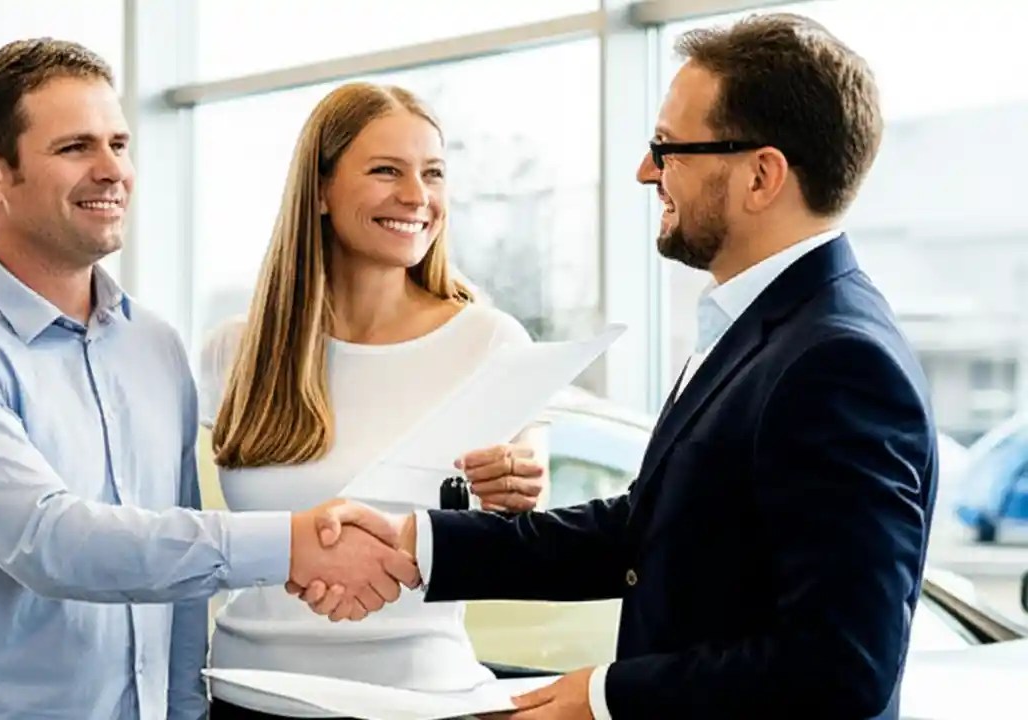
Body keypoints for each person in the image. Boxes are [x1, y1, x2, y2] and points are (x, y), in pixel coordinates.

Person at [304, 13, 938, 720]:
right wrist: (418, 542)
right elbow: (651, 528)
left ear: (761, 176)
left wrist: (604, 696)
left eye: (667, 149)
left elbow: (840, 670)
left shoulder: (838, 362)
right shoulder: (768, 329)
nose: (646, 171)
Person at [0, 39, 416, 720]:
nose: (111, 170)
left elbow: (177, 585)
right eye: (75, 148)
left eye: (119, 143)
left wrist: (186, 710)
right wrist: (294, 544)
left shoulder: (152, 345)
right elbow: (51, 542)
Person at [197, 82, 550, 718]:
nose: (417, 196)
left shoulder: (489, 340)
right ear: (322, 190)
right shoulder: (233, 351)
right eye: (387, 170)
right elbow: (186, 543)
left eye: (433, 173)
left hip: (421, 700)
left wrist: (520, 485)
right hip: (248, 694)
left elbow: (520, 502)